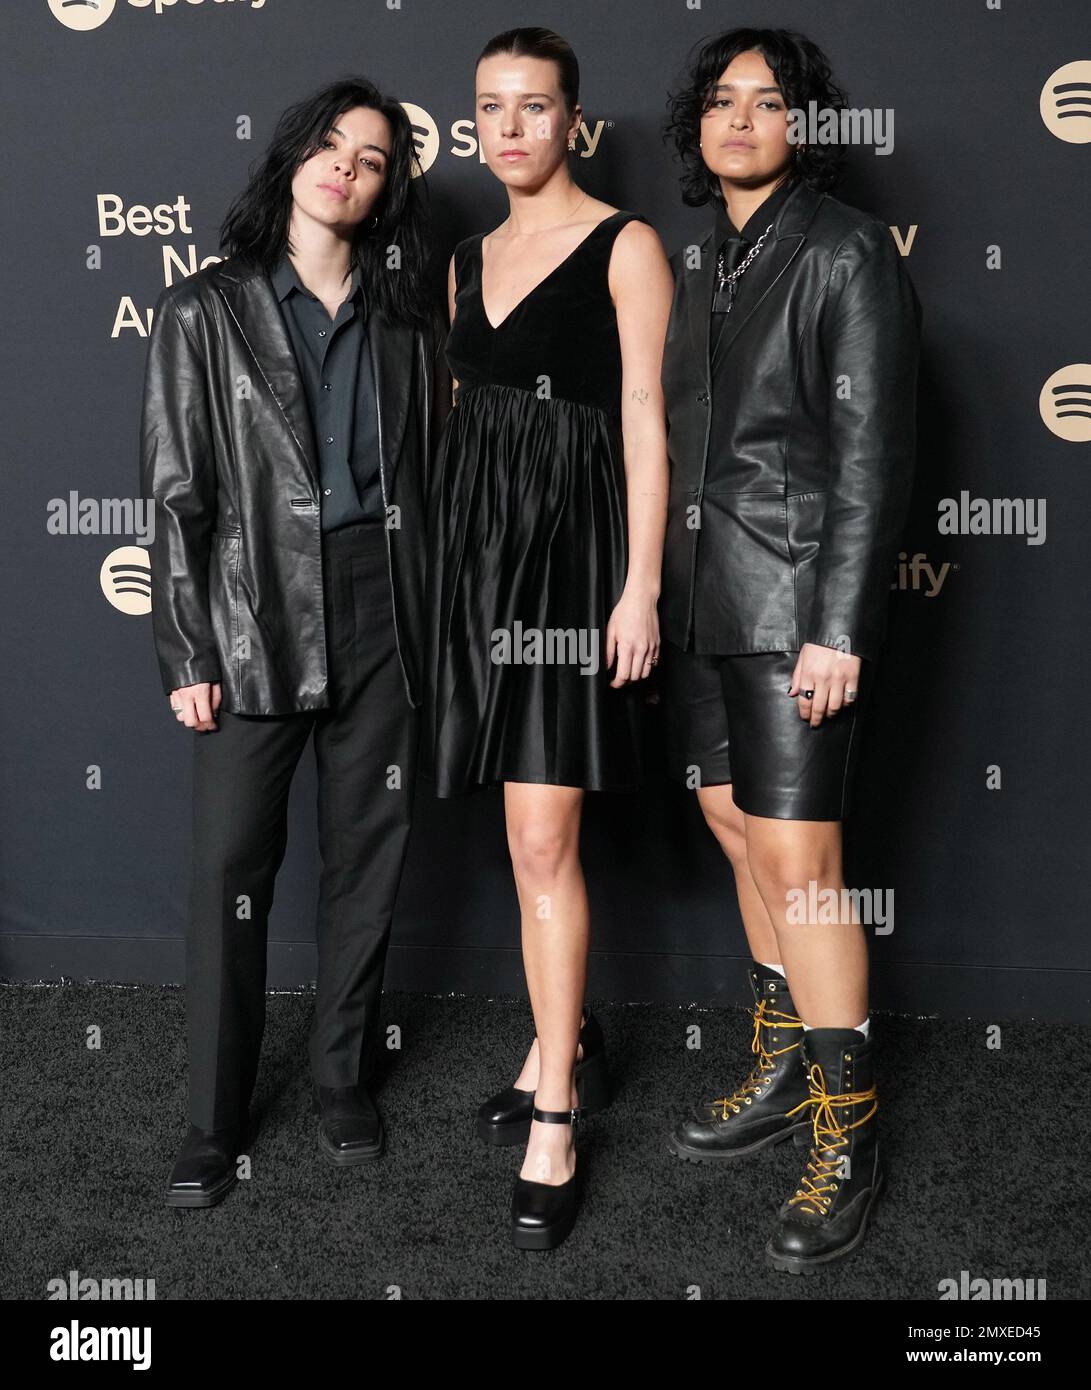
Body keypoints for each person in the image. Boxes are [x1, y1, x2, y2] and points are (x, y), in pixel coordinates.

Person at [139, 77, 448, 1208]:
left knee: (369, 856)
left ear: (384, 190)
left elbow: (433, 479)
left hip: (381, 603)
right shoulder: (204, 310)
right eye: (327, 146)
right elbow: (176, 496)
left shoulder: (409, 315)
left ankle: (340, 1075)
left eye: (369, 159)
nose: (344, 168)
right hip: (251, 605)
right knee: (230, 869)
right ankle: (212, 1120)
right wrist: (188, 650)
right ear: (289, 160)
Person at [659, 28, 921, 1272]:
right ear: (697, 125)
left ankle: (847, 1129)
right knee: (727, 820)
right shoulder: (711, 253)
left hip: (792, 604)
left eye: (768, 102)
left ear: (804, 125)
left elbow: (871, 455)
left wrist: (836, 627)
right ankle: (779, 1061)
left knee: (801, 858)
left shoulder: (844, 249)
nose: (741, 118)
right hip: (708, 599)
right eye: (722, 101)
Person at [427, 27, 672, 1249]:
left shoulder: (626, 244)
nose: (508, 128)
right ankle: (550, 1037)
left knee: (541, 831)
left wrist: (637, 589)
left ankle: (559, 1111)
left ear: (573, 120)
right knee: (517, 839)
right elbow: (467, 425)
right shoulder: (464, 259)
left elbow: (640, 418)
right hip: (481, 564)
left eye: (532, 107)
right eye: (489, 108)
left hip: (575, 568)